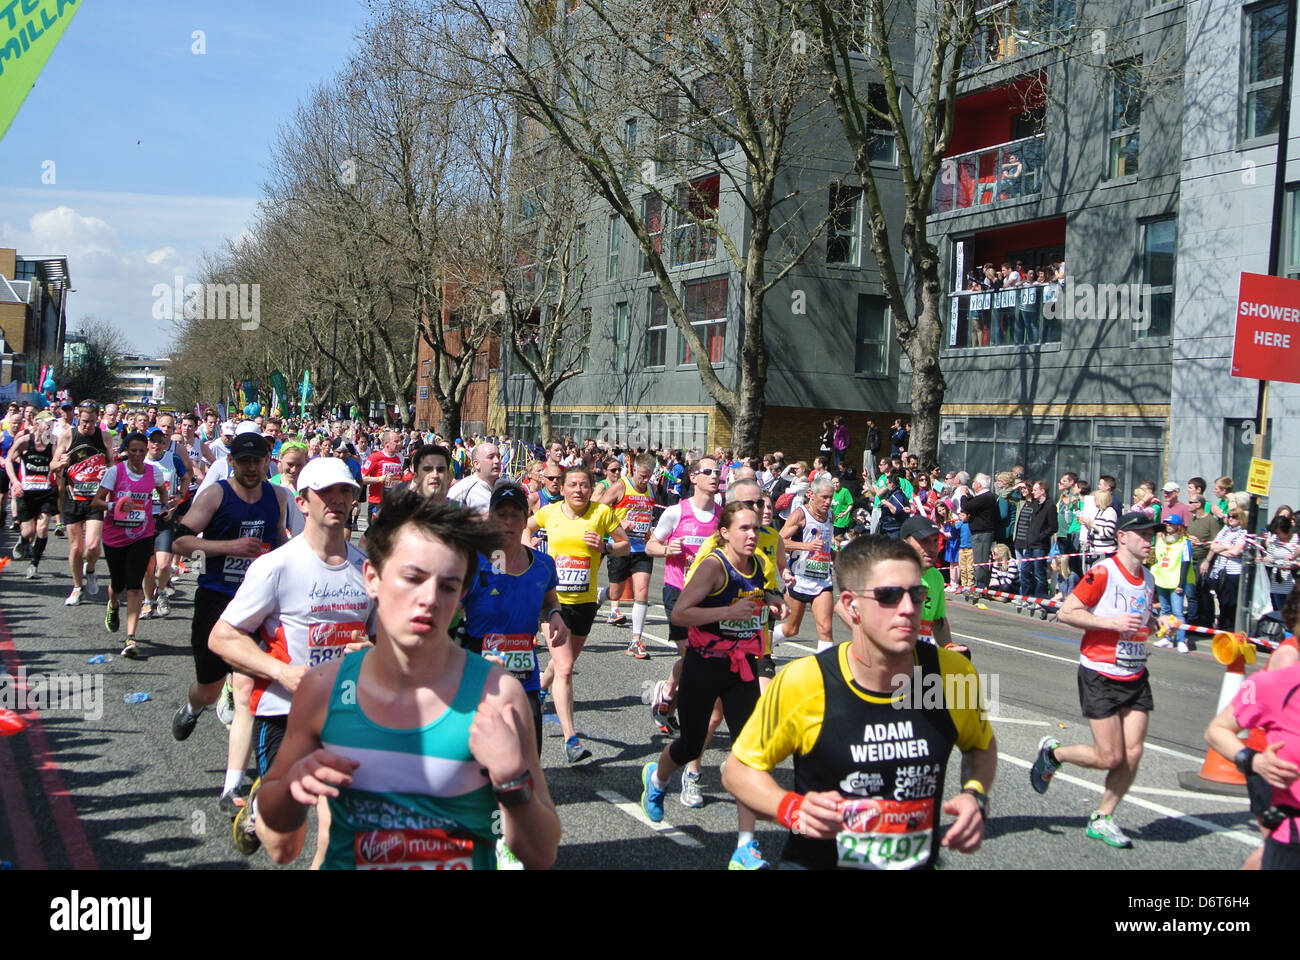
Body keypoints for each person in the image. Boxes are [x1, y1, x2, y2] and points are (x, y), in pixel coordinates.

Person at [255, 493, 561, 870]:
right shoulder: (323, 688)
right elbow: (277, 829)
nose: (429, 599)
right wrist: (290, 788)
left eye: (448, 586)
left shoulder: (499, 695)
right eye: (412, 578)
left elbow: (542, 853)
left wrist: (512, 780)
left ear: (462, 594)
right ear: (372, 577)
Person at [722, 535, 996, 869]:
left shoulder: (952, 674)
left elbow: (981, 744)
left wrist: (975, 794)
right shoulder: (807, 681)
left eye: (916, 594)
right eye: (889, 596)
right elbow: (739, 770)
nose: (908, 608)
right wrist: (791, 808)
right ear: (852, 604)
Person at [205, 455, 372, 860]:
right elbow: (222, 637)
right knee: (283, 849)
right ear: (302, 502)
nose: (336, 500)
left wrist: (374, 653)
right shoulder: (275, 566)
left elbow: (386, 642)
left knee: (342, 829)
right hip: (286, 712)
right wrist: (282, 672)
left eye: (344, 491)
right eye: (325, 493)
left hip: (347, 713)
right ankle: (262, 806)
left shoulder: (366, 568)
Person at [640, 501, 789, 869]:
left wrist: (773, 601)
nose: (752, 535)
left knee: (749, 753)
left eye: (755, 528)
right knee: (691, 742)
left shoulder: (758, 564)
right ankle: (657, 779)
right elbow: (680, 613)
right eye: (744, 529)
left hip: (741, 669)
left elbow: (760, 592)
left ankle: (745, 846)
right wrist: (727, 612)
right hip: (703, 666)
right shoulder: (713, 566)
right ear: (725, 533)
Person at [170, 431, 290, 812]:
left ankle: (232, 786)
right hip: (217, 599)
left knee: (245, 696)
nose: (251, 468)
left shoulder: (279, 496)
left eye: (257, 461)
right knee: (208, 689)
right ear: (232, 462)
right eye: (243, 461)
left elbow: (281, 542)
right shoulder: (215, 495)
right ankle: (192, 708)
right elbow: (179, 542)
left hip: (258, 605)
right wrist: (228, 547)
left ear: (267, 461)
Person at [1030, 512, 1165, 849]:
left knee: (1132, 754)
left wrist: (1159, 627)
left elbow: (1140, 623)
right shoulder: (1103, 571)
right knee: (1109, 757)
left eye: (1152, 534)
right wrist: (1112, 623)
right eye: (1143, 535)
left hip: (1135, 673)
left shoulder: (1148, 578)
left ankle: (1103, 817)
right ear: (1122, 537)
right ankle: (1054, 754)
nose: (1150, 540)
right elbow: (1067, 611)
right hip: (1100, 673)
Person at [526, 465, 629, 763]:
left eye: (584, 485)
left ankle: (536, 691)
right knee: (566, 667)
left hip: (584, 604)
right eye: (572, 485)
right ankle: (571, 740)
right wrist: (526, 545)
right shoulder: (550, 512)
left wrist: (607, 546)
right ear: (564, 487)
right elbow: (527, 526)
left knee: (562, 667)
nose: (578, 490)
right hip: (553, 601)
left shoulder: (602, 514)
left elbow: (625, 546)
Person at [1204, 582, 1300, 871]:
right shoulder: (1285, 666)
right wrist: (1255, 761)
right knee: (1271, 849)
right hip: (1271, 766)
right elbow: (1218, 729)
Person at [89, 432, 174, 658]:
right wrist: (114, 506)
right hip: (115, 535)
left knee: (134, 585)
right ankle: (113, 604)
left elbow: (162, 489)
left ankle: (131, 637)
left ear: (146, 452)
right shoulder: (115, 472)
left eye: (141, 451)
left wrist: (164, 505)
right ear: (127, 451)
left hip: (142, 534)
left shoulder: (153, 472)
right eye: (133, 450)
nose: (137, 455)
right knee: (118, 583)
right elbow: (96, 501)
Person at [52, 400, 116, 606]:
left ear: (98, 418)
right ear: (79, 417)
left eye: (91, 421)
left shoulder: (104, 436)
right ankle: (77, 587)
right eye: (84, 421)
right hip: (73, 498)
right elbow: (53, 463)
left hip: (95, 499)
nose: (88, 426)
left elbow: (112, 464)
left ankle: (90, 569)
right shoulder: (68, 436)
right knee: (76, 549)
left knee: (92, 545)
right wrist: (59, 463)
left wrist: (108, 470)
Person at [600, 452, 658, 657]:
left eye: (649, 476)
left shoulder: (652, 488)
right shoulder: (621, 486)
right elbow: (599, 508)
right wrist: (618, 524)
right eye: (642, 475)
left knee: (641, 591)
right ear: (634, 470)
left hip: (642, 548)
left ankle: (636, 640)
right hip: (621, 546)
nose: (645, 480)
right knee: (615, 593)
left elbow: (651, 513)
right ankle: (600, 597)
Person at [777, 475, 838, 653]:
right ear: (811, 494)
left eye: (830, 498)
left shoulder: (830, 516)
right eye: (824, 497)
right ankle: (764, 648)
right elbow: (779, 541)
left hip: (822, 580)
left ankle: (825, 673)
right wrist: (807, 546)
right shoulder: (800, 515)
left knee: (826, 629)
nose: (828, 502)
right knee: (791, 629)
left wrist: (835, 555)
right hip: (799, 579)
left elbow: (825, 546)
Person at [902, 515, 967, 654]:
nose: (931, 548)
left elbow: (938, 620)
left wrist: (949, 647)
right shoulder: (887, 573)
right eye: (924, 541)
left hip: (920, 658)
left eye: (935, 541)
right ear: (904, 543)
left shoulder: (936, 577)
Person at [5, 413, 58, 579]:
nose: (50, 428)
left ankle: (34, 564)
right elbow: (8, 460)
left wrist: (60, 466)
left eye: (52, 425)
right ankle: (23, 539)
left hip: (46, 491)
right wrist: (15, 481)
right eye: (47, 424)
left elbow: (56, 464)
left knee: (42, 528)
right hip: (27, 492)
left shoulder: (53, 442)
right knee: (29, 531)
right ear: (37, 424)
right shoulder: (25, 441)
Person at [1150, 515, 1194, 653]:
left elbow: (1185, 563)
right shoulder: (1161, 540)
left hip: (1175, 582)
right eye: (1166, 523)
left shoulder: (1184, 542)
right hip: (1161, 579)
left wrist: (1181, 584)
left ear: (1178, 526)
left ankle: (1181, 640)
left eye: (1171, 524)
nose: (1168, 526)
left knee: (1178, 612)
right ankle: (1168, 638)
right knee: (1165, 611)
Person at [1201, 507, 1248, 630]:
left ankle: (1230, 627)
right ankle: (1222, 625)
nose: (1231, 519)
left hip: (1234, 572)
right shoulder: (1225, 530)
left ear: (1240, 519)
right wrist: (1229, 548)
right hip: (1219, 570)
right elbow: (1213, 546)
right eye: (1229, 516)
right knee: (1221, 601)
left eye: (1235, 517)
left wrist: (1222, 549)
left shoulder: (1243, 533)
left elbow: (1236, 552)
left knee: (1231, 602)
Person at [361, 429, 404, 523]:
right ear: (387, 443)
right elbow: (362, 478)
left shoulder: (398, 459)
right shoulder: (375, 457)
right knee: (374, 534)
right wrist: (381, 479)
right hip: (377, 502)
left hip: (393, 503)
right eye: (396, 441)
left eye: (399, 441)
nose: (399, 443)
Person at [447, 441, 502, 513]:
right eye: (491, 457)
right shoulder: (461, 489)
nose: (497, 461)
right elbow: (447, 517)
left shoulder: (508, 487)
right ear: (476, 464)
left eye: (498, 456)